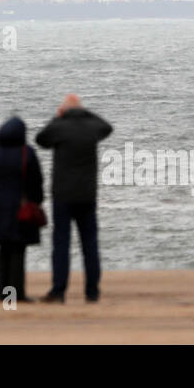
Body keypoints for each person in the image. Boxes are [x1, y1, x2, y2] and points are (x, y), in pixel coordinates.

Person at [36, 93, 112, 303]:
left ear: (63, 111)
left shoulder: (59, 127)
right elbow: (107, 127)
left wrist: (58, 117)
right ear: (83, 110)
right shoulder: (92, 128)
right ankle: (92, 292)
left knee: (61, 244)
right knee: (90, 244)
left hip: (63, 195)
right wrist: (84, 112)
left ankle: (59, 291)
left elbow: (40, 139)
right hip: (87, 195)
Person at [0, 115, 44, 303]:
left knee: (3, 252)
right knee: (17, 252)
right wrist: (36, 201)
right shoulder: (27, 153)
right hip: (19, 209)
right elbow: (36, 181)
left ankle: (4, 295)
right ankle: (15, 296)